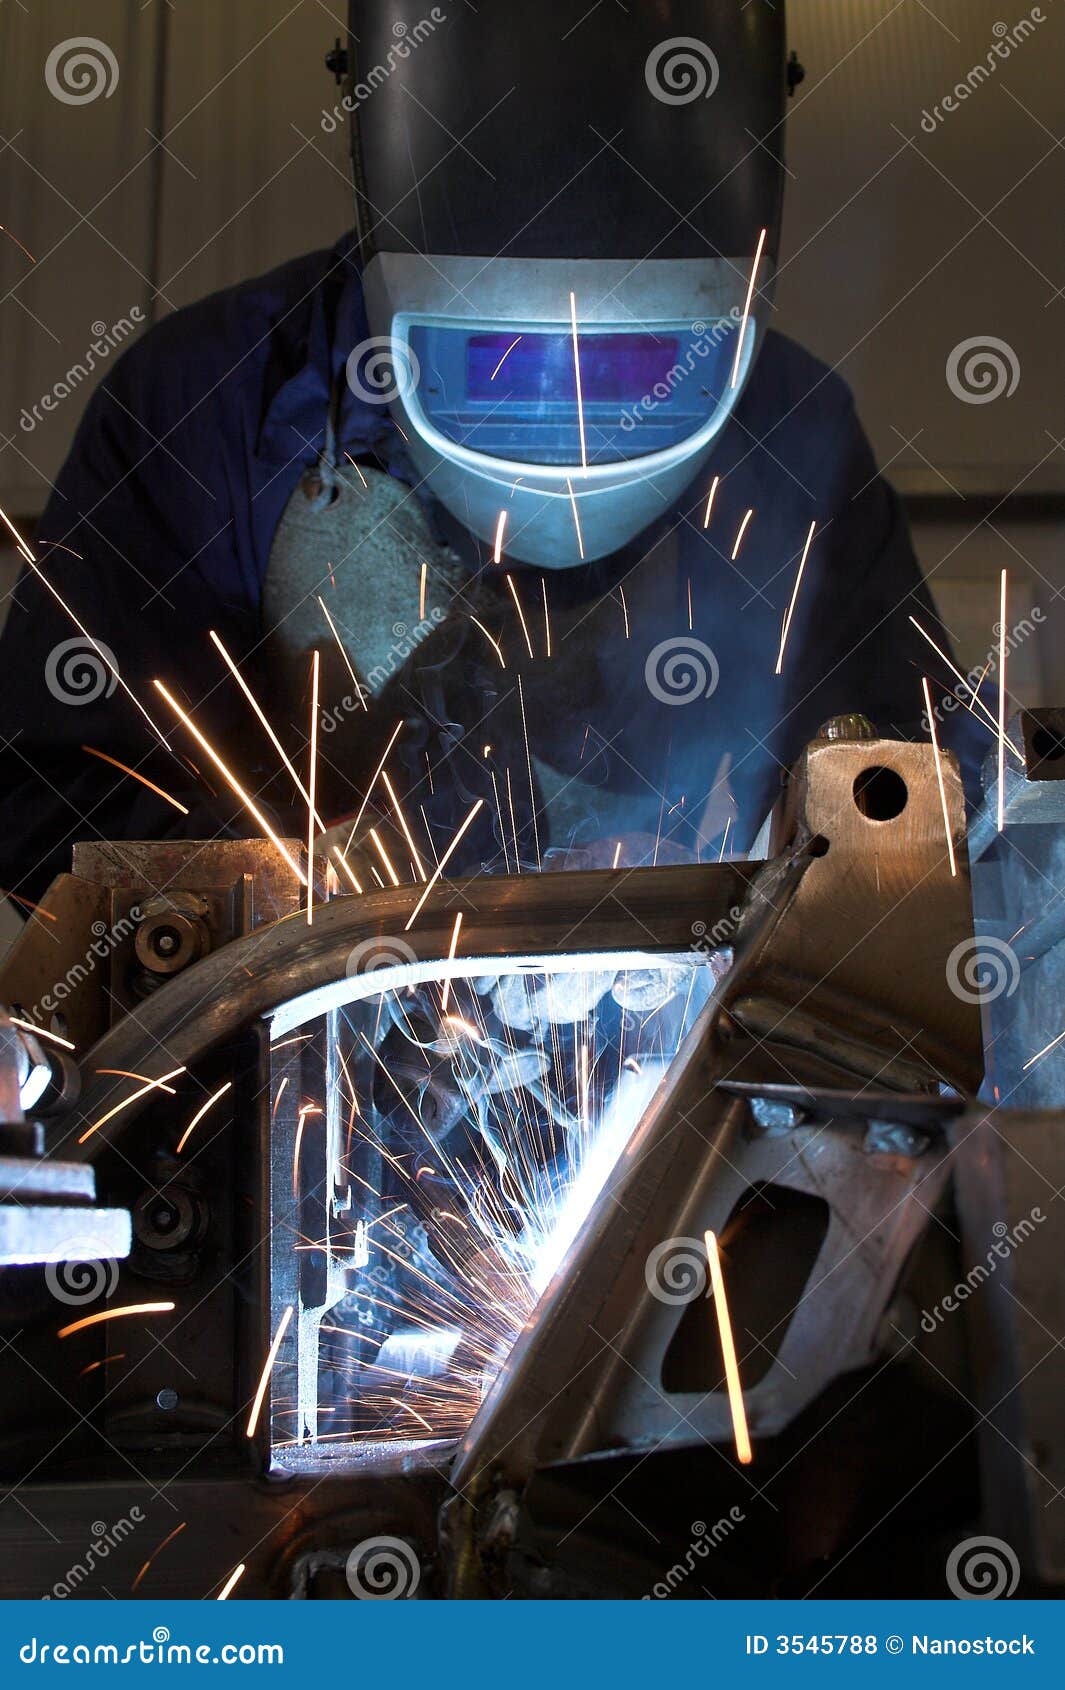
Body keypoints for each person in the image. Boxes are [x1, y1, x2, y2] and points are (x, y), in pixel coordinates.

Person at [0, 0, 978, 907]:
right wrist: (297, 899)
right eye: (500, 365)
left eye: (635, 373)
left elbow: (928, 805)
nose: (567, 415)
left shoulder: (792, 432)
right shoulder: (202, 404)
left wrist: (753, 894)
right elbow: (44, 816)